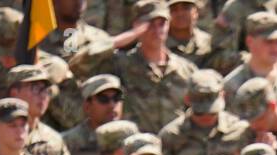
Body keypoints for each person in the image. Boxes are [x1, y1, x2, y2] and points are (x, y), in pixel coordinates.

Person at [66, 0, 196, 136]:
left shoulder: (186, 69)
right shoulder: (120, 63)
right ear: (136, 26)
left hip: (174, 149)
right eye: (150, 24)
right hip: (136, 149)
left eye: (162, 24)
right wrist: (123, 39)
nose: (157, 30)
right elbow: (77, 65)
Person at [159, 70, 250, 155]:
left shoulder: (241, 131)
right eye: (201, 111)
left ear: (222, 96)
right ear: (187, 99)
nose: (207, 116)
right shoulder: (171, 136)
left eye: (212, 111)